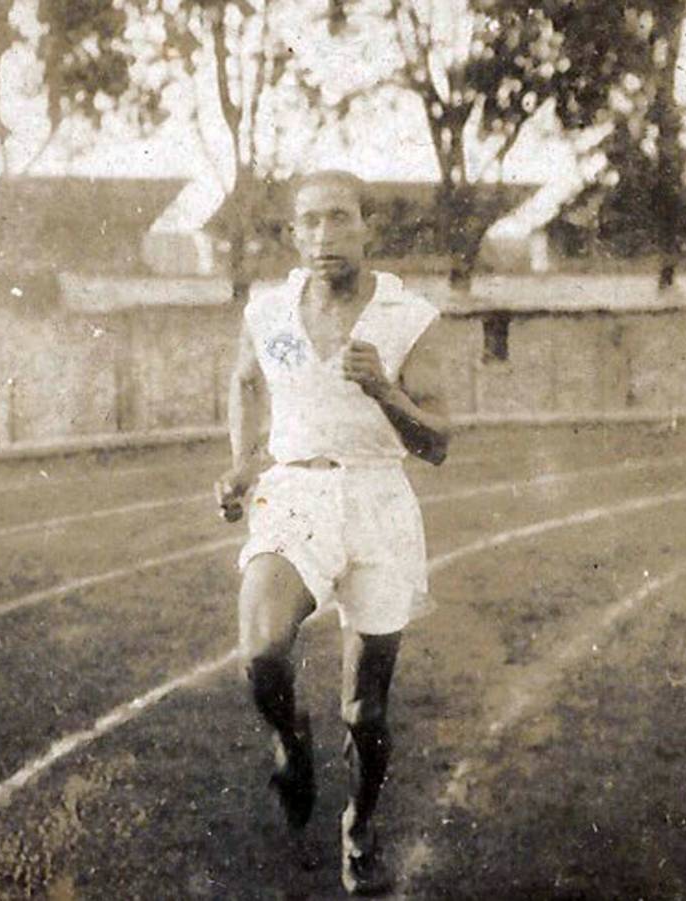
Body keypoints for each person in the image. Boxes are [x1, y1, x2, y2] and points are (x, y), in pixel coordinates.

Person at [214, 170, 450, 895]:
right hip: (295, 489)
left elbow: (439, 441)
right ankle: (289, 740)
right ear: (294, 233)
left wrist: (386, 389)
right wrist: (241, 461)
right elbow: (246, 380)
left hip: (379, 499)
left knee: (365, 710)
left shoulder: (407, 318)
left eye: (340, 219)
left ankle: (361, 821)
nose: (324, 236)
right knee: (261, 650)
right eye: (310, 222)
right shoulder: (272, 309)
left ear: (366, 226)